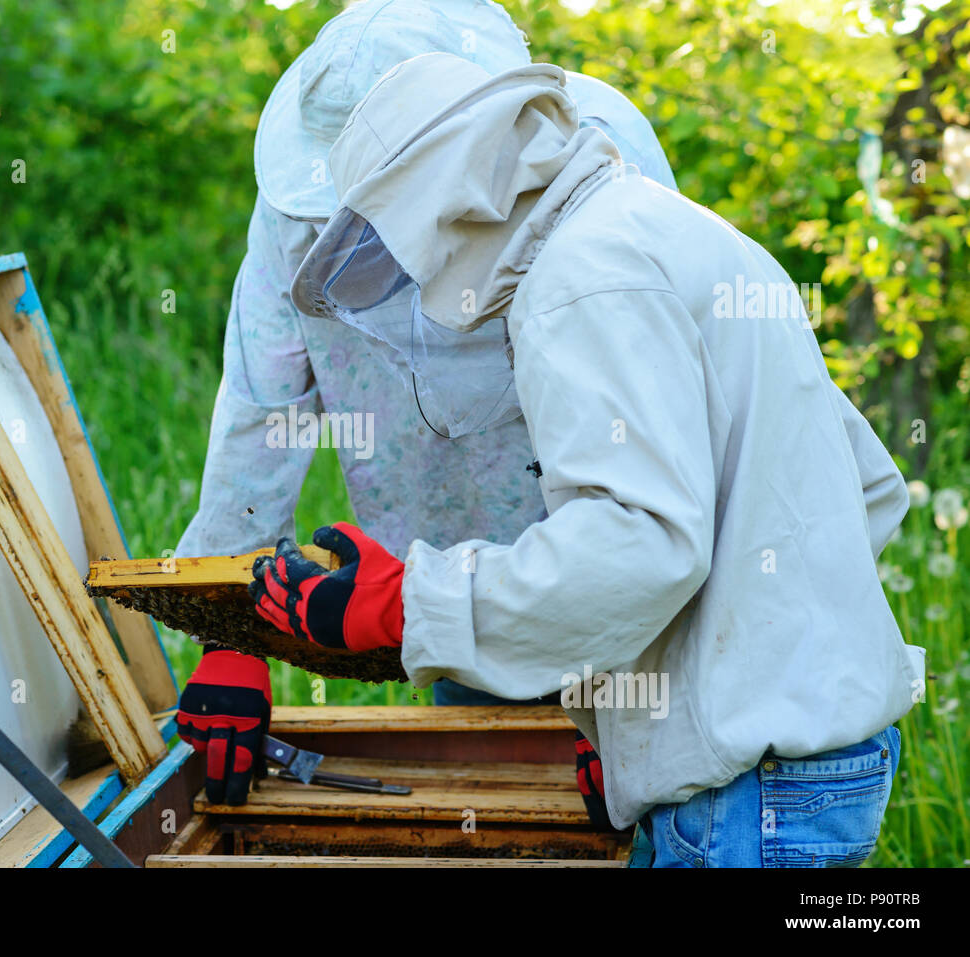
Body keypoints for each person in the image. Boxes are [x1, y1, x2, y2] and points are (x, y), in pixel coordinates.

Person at [249, 51, 924, 867]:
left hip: (750, 801)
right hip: (813, 773)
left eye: (402, 242)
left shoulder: (578, 280)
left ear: (445, 202)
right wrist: (644, 727)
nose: (413, 272)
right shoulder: (673, 231)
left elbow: (638, 544)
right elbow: (866, 488)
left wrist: (407, 604)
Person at [173, 0, 676, 816]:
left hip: (603, 556)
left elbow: (655, 442)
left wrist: (628, 678)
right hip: (442, 571)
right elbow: (266, 402)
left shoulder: (596, 161)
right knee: (483, 798)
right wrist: (233, 635)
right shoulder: (294, 215)